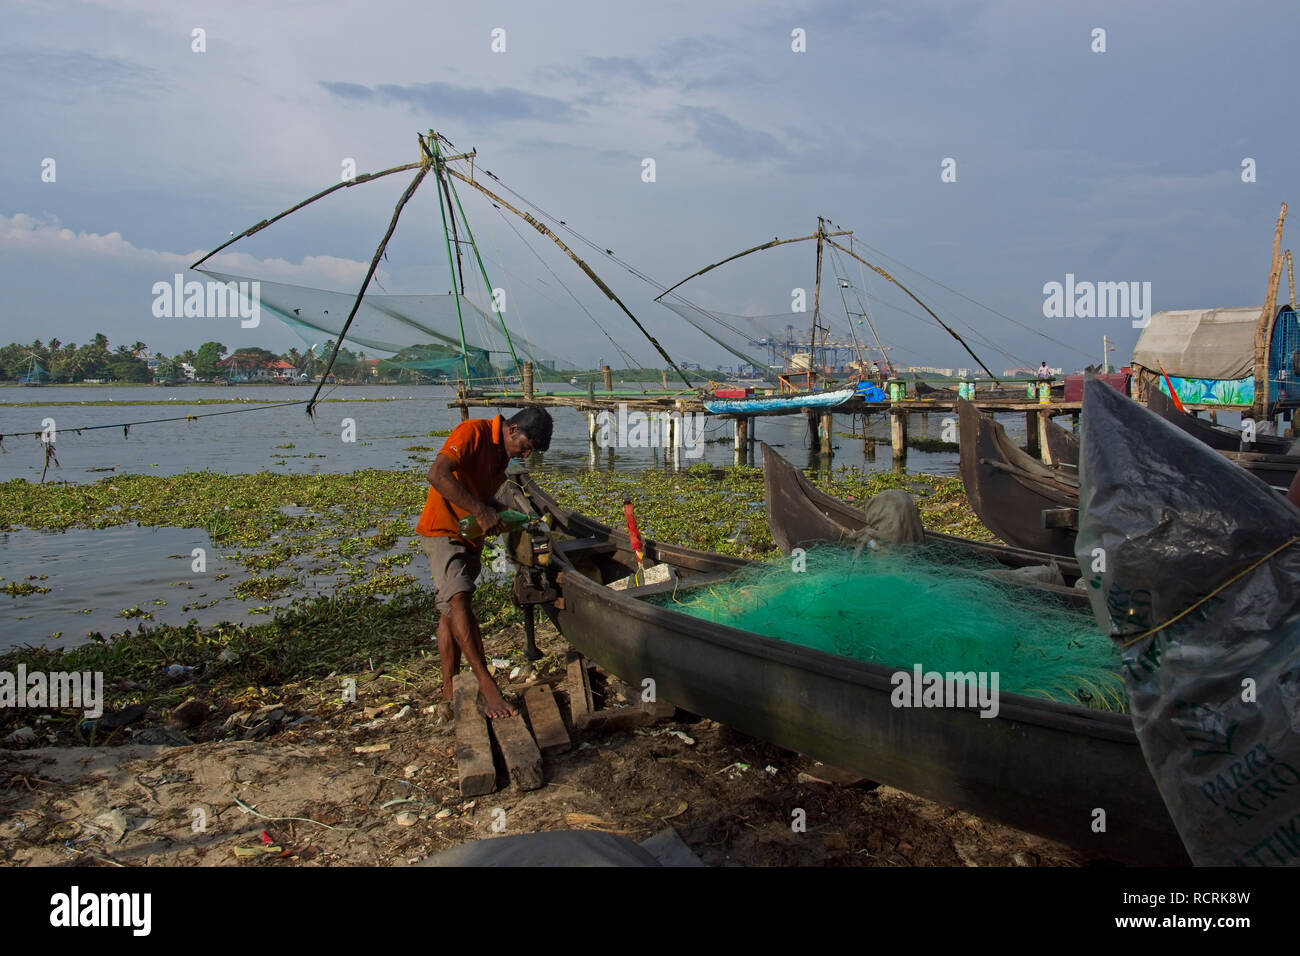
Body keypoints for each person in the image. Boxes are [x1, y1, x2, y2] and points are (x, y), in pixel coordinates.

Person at [416, 407, 553, 718]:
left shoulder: (503, 455)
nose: (527, 454)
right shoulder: (472, 432)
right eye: (526, 445)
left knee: (449, 611)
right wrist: (481, 511)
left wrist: (504, 512)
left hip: (469, 535)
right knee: (459, 600)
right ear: (513, 428)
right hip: (443, 529)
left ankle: (449, 689)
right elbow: (437, 474)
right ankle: (487, 685)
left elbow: (481, 494)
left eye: (532, 450)